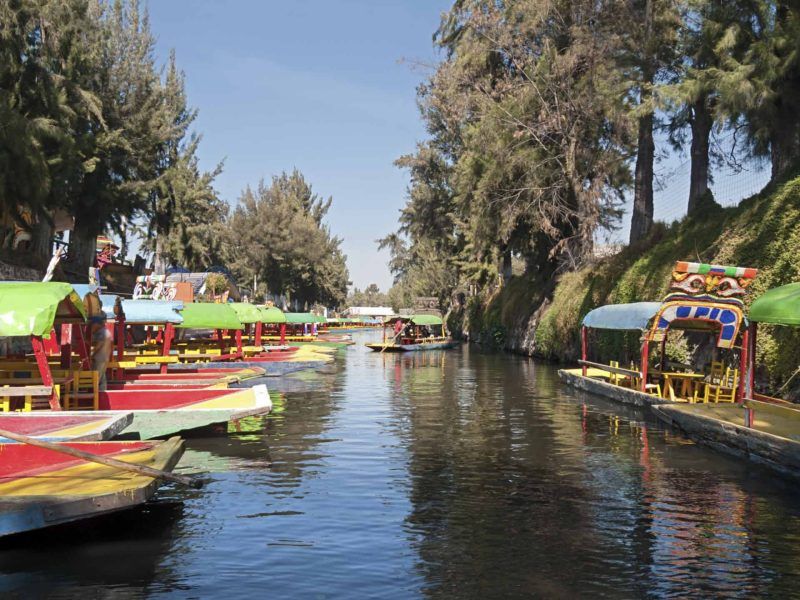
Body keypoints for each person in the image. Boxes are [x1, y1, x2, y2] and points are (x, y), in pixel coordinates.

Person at [90, 315, 113, 391]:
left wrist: (92, 355)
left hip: (99, 358)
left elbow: (98, 345)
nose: (92, 326)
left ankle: (96, 393)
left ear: (97, 324)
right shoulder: (106, 332)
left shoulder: (101, 332)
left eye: (93, 324)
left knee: (97, 377)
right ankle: (102, 392)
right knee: (102, 377)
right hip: (105, 358)